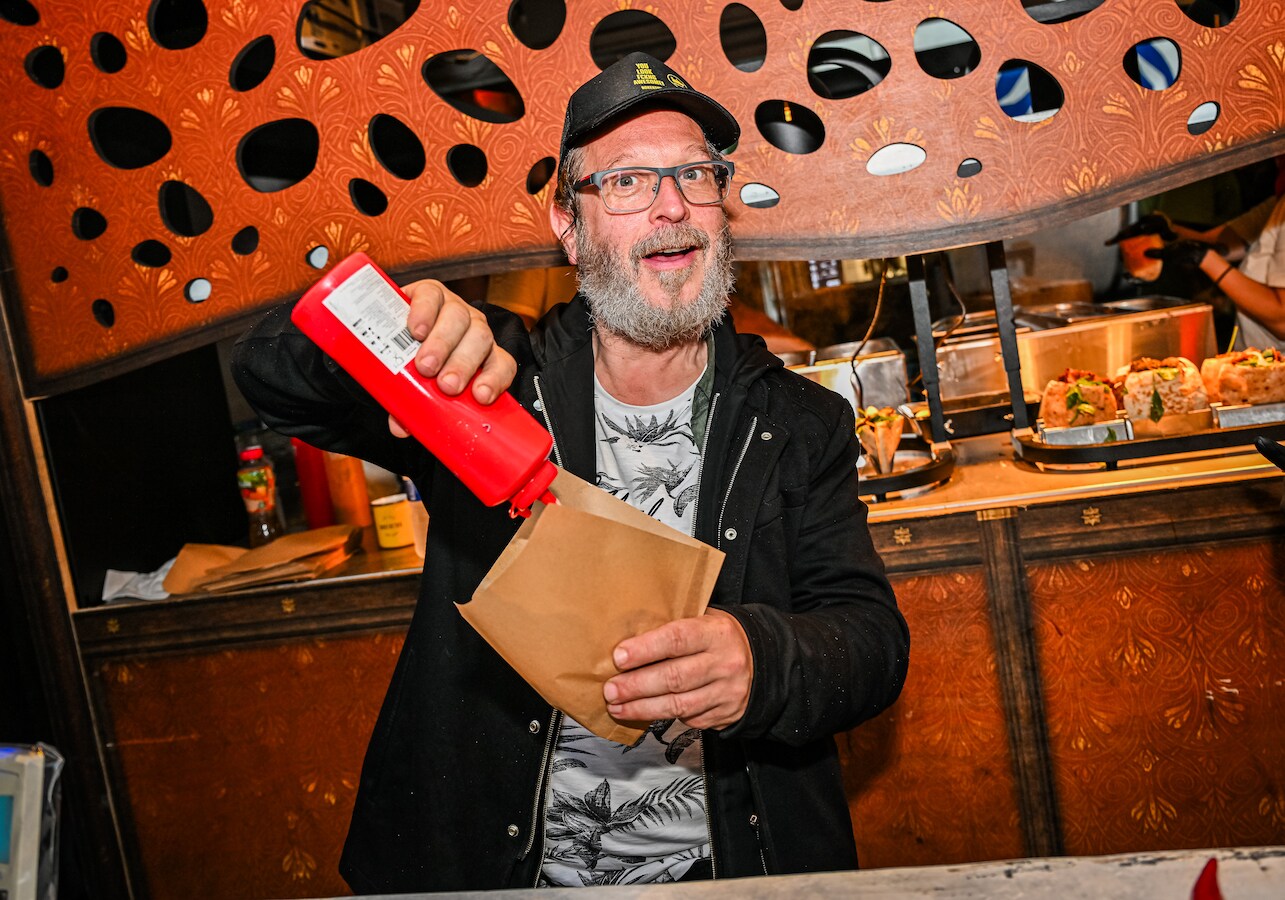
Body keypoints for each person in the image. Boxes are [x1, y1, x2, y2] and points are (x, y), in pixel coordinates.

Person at [232, 51, 908, 892]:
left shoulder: (800, 422)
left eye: (695, 175)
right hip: (498, 869)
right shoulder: (488, 380)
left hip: (727, 866)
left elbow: (872, 642)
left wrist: (762, 658)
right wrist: (393, 333)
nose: (670, 206)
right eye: (626, 182)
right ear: (567, 222)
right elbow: (271, 375)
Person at [1110, 184, 1285, 348]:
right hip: (1255, 360)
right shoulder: (1279, 202)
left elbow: (1282, 321)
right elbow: (1222, 243)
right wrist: (1168, 231)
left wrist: (1204, 258)